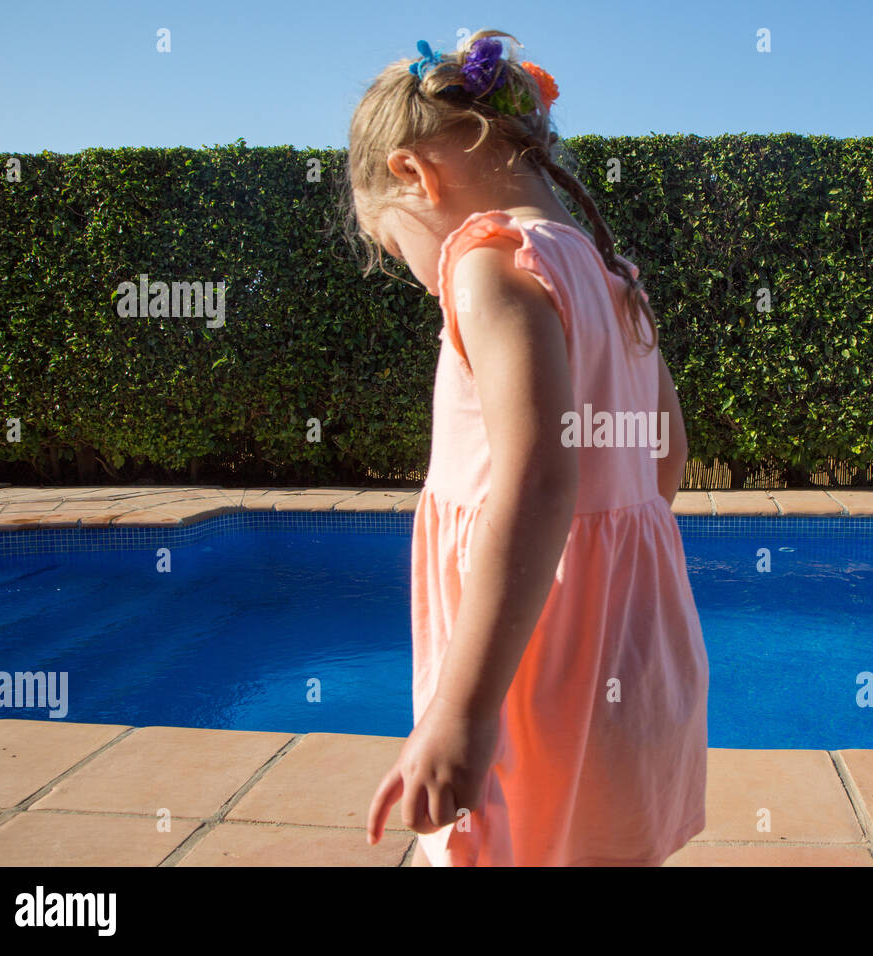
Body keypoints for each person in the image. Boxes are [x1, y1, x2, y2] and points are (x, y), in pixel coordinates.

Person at [349, 29, 708, 866]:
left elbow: (540, 481)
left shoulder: (488, 262)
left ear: (413, 173)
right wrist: (608, 574)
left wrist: (464, 709)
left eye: (402, 252)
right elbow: (664, 460)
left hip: (532, 672)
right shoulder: (615, 280)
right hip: (634, 660)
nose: (423, 275)